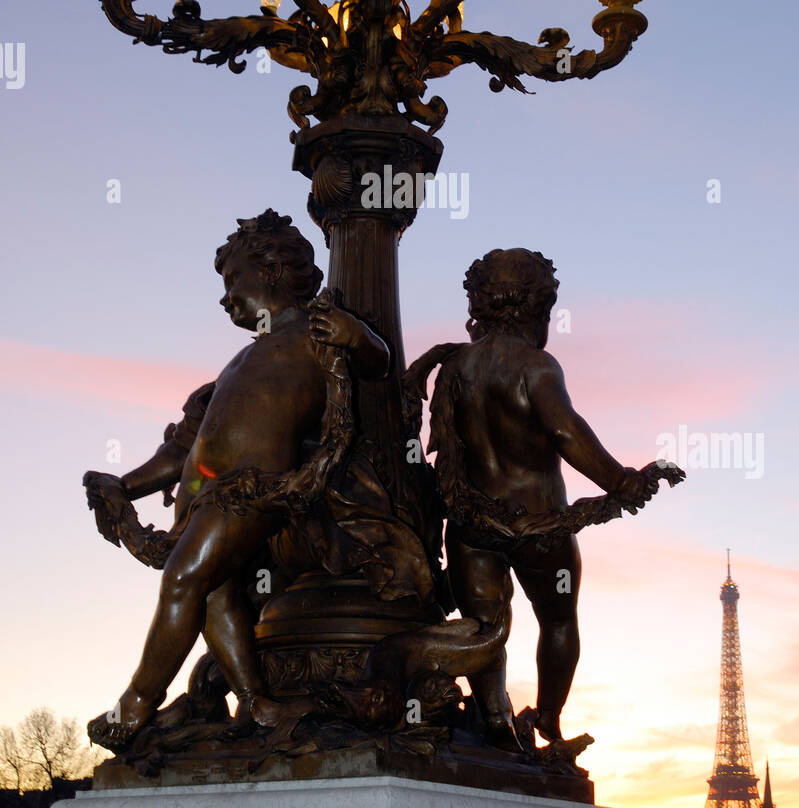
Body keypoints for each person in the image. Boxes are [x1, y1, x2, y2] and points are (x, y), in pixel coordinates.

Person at [85, 209, 389, 748]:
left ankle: (132, 709)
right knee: (216, 595)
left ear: (272, 272)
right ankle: (256, 702)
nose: (226, 297)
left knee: (182, 581)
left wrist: (357, 333)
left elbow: (377, 361)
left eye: (233, 280)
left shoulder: (316, 334)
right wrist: (122, 484)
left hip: (252, 490)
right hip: (203, 498)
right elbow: (181, 452)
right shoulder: (235, 365)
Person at [405, 247, 650, 751]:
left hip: (472, 524)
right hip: (540, 524)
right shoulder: (536, 366)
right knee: (558, 621)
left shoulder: (455, 368)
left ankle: (495, 717)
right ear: (533, 306)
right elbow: (565, 430)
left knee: (483, 626)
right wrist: (619, 481)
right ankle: (549, 720)